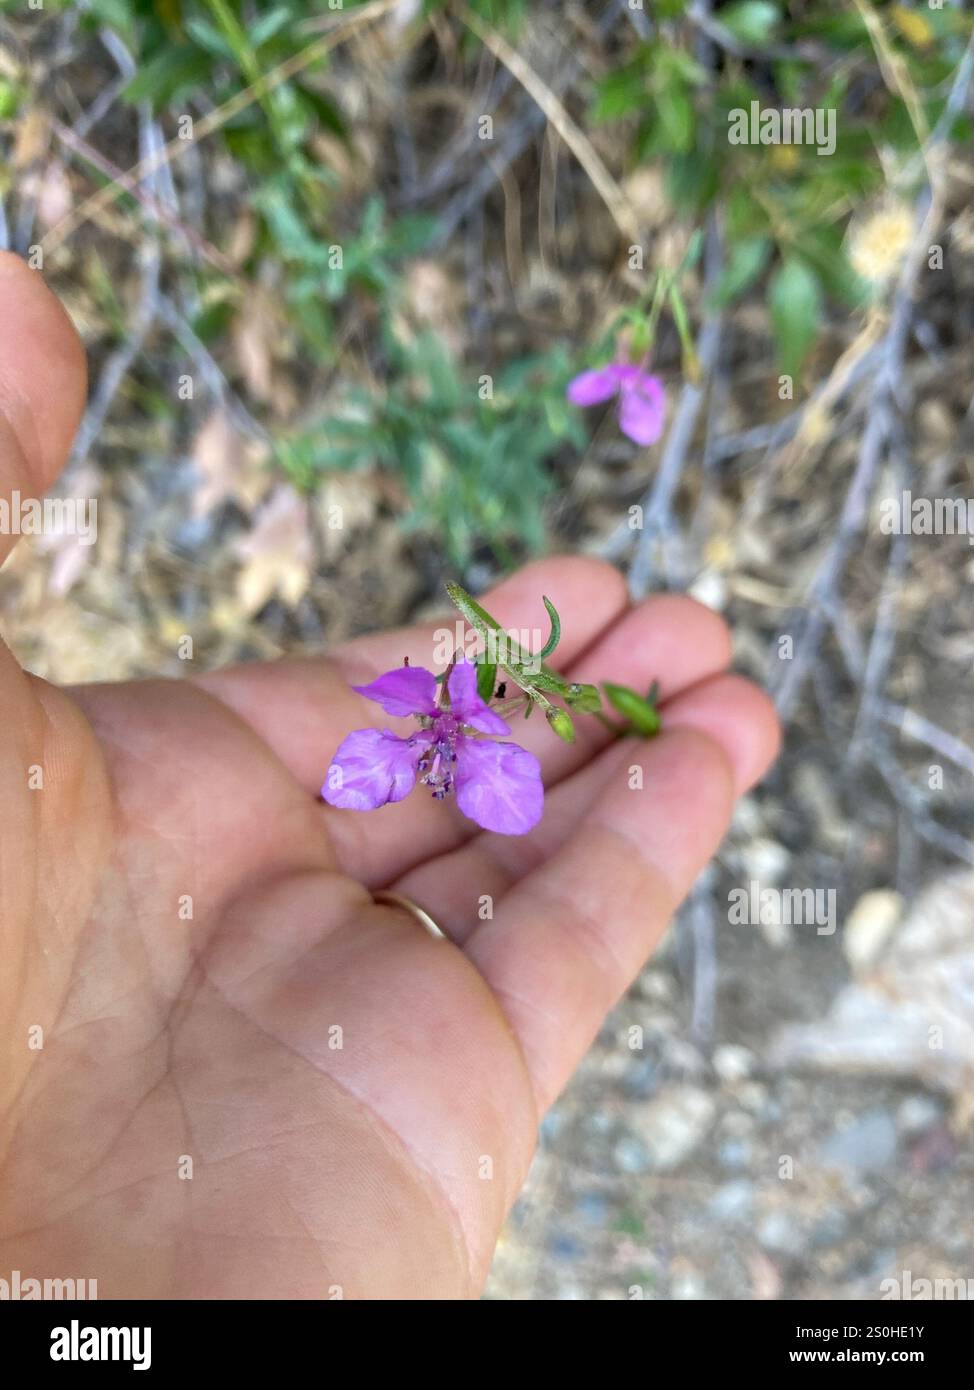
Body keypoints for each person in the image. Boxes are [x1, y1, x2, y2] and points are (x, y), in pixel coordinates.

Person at [0, 252, 779, 1299]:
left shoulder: (475, 728)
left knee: (607, 697)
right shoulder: (437, 719)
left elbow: (484, 749)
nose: (445, 750)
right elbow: (429, 727)